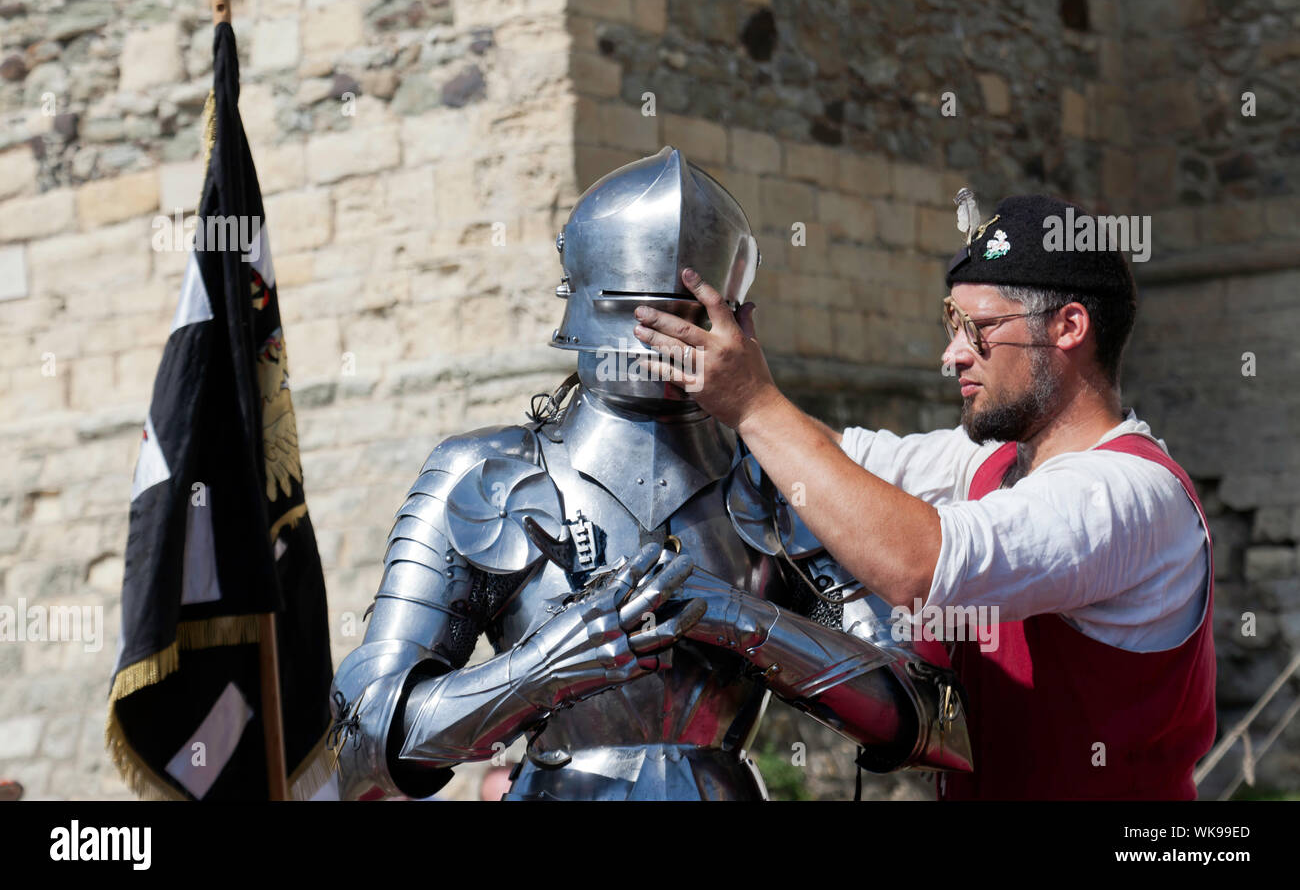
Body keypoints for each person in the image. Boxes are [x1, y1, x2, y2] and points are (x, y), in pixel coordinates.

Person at [326, 147, 974, 801]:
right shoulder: (488, 473)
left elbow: (930, 716)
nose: (665, 344)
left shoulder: (781, 481)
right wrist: (544, 667)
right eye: (644, 316)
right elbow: (364, 738)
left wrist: (746, 622)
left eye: (690, 318)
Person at [632, 192, 1216, 799]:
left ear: (1069, 327)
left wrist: (754, 405)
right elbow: (834, 459)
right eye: (952, 325)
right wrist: (738, 379)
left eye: (981, 328)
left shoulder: (1130, 494)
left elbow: (920, 566)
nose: (952, 354)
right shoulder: (993, 459)